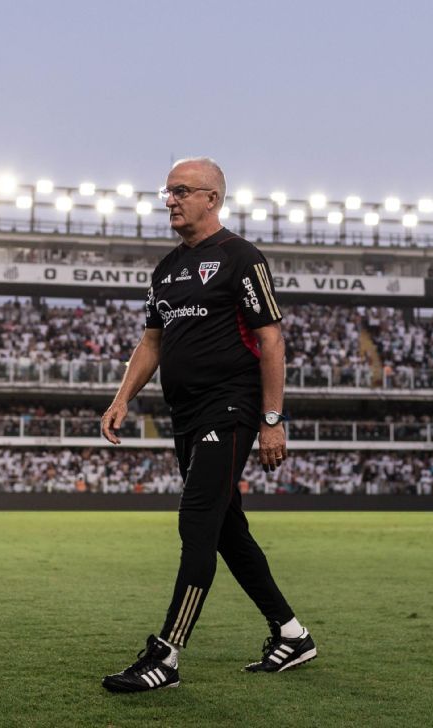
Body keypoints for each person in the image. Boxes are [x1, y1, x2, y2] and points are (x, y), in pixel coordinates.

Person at [99, 158, 316, 692]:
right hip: (186, 416)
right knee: (226, 530)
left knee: (197, 523)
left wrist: (271, 420)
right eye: (167, 192)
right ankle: (292, 634)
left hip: (232, 409)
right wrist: (122, 397)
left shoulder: (241, 258)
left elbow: (270, 340)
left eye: (180, 191)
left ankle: (166, 656)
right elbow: (151, 341)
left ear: (212, 198)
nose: (169, 201)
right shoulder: (166, 269)